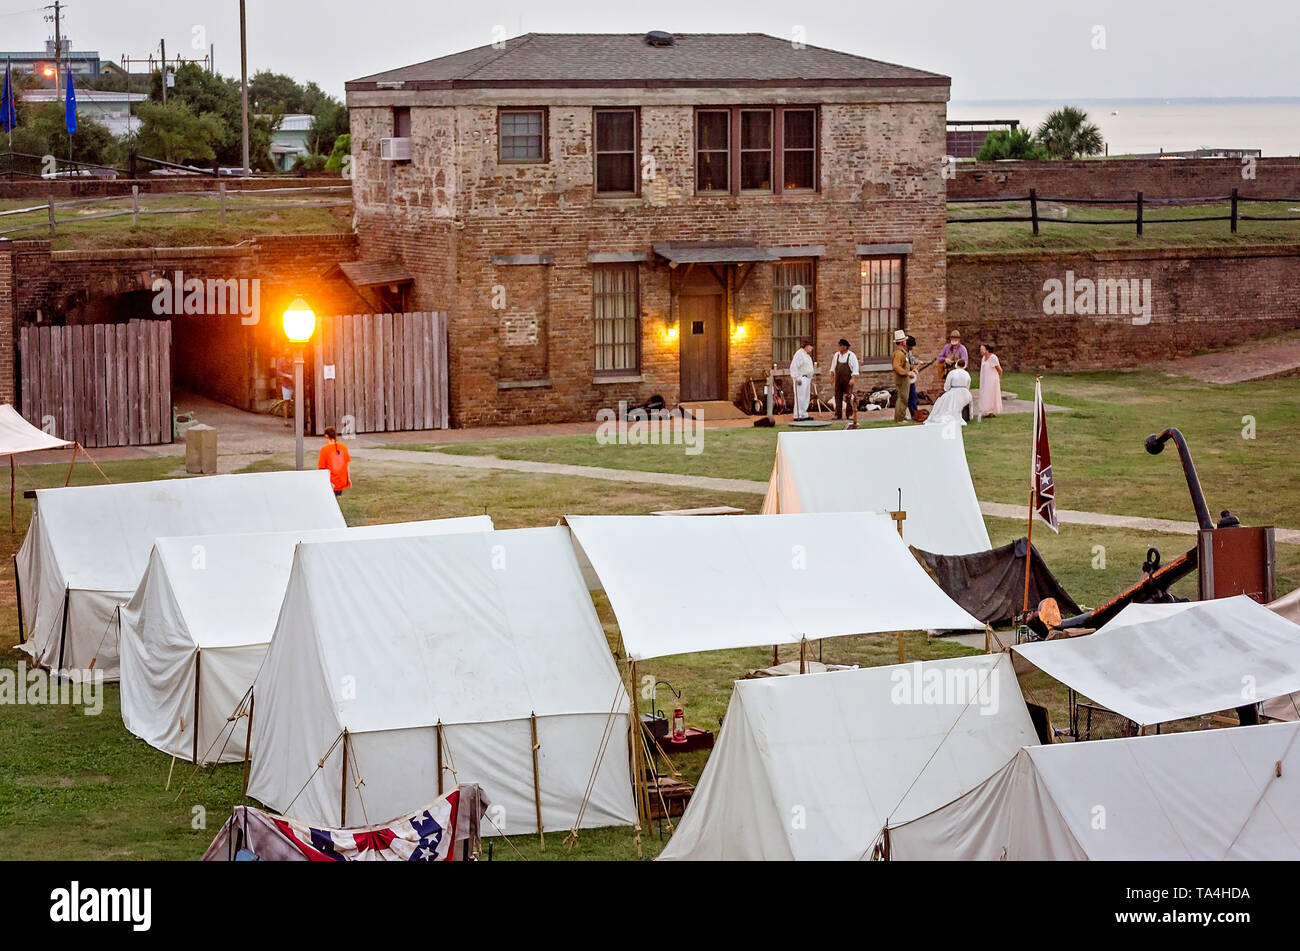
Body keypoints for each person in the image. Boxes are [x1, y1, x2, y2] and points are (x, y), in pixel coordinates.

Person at [926, 358, 972, 427]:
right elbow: (968, 386)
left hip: (955, 390)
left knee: (943, 400)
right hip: (965, 393)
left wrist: (948, 390)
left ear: (957, 364)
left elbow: (947, 386)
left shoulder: (952, 373)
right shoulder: (967, 374)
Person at [829, 338, 859, 427]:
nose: (839, 347)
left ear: (845, 347)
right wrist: (832, 377)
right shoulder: (836, 355)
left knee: (848, 396)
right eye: (839, 345)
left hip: (848, 379)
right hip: (838, 379)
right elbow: (833, 367)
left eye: (840, 345)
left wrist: (853, 378)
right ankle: (838, 414)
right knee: (837, 396)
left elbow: (855, 368)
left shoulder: (851, 355)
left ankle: (849, 414)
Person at [317, 426, 352, 497]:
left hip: (332, 482)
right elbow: (347, 464)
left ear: (326, 436)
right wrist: (348, 479)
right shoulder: (343, 447)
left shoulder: (324, 450)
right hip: (342, 480)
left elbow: (321, 468)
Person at [789, 340, 815, 421]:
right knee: (800, 397)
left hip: (807, 378)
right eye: (810, 346)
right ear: (806, 346)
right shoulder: (799, 354)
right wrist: (796, 378)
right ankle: (798, 415)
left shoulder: (807, 355)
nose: (812, 348)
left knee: (806, 397)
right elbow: (794, 367)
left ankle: (803, 413)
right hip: (801, 378)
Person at [891, 330, 912, 423]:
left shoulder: (901, 352)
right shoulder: (899, 354)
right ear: (902, 342)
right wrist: (907, 373)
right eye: (905, 340)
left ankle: (900, 417)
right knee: (903, 398)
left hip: (903, 378)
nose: (906, 342)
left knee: (903, 397)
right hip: (902, 379)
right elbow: (896, 366)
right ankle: (899, 419)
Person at [979, 343, 1004, 418]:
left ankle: (992, 412)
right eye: (980, 349)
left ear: (987, 350)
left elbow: (1000, 370)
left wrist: (999, 379)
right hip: (985, 379)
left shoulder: (993, 357)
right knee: (986, 394)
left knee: (992, 394)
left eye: (982, 349)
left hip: (993, 380)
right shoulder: (983, 358)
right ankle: (987, 410)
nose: (981, 351)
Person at [905, 335, 920, 419]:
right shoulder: (903, 353)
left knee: (913, 397)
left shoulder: (909, 353)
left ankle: (914, 414)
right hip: (905, 377)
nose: (912, 348)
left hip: (910, 379)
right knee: (905, 398)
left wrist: (917, 364)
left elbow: (912, 361)